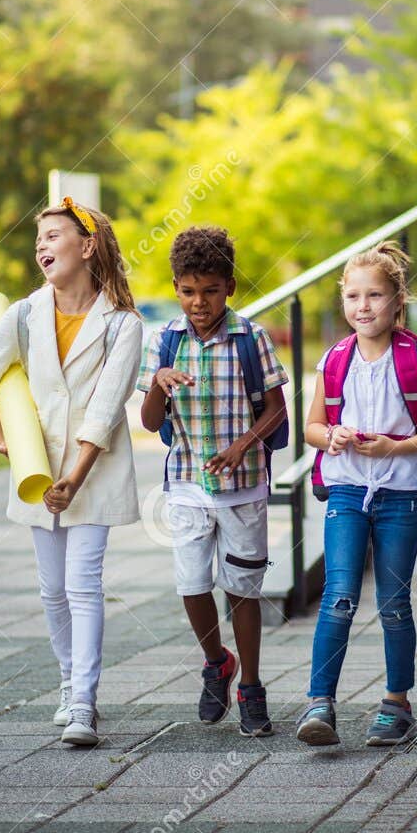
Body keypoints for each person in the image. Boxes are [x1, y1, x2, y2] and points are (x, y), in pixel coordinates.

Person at [0, 199, 143, 746]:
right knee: (51, 590)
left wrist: (76, 476)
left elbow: (107, 407)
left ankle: (85, 703)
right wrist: (7, 444)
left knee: (82, 585)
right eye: (37, 238)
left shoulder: (124, 324)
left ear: (87, 246)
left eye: (53, 235)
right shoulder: (23, 314)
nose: (41, 246)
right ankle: (68, 682)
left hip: (95, 472)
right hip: (38, 475)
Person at [295, 243, 417, 746]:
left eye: (374, 295)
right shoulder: (334, 358)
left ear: (398, 301)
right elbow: (313, 428)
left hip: (401, 496)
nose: (362, 306)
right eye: (352, 296)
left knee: (393, 602)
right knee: (339, 596)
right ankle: (319, 703)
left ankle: (396, 703)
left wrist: (398, 446)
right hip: (346, 490)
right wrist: (333, 437)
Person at [138, 227, 287, 736]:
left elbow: (276, 409)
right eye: (187, 291)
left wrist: (243, 445)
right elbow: (149, 420)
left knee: (242, 589)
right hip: (185, 484)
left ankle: (251, 687)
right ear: (176, 287)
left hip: (245, 485)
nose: (198, 302)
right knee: (192, 583)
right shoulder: (164, 341)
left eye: (210, 291)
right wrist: (159, 381)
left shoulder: (252, 338)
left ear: (229, 287)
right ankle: (215, 661)